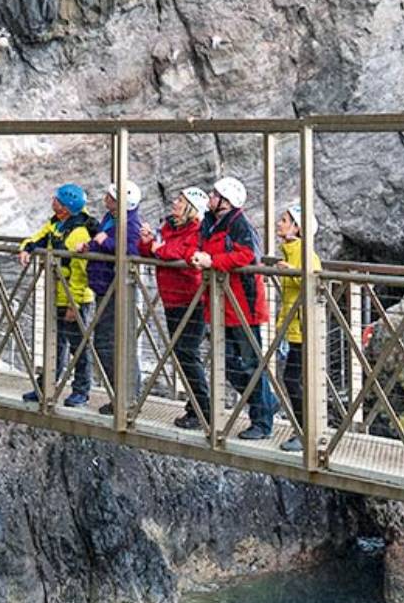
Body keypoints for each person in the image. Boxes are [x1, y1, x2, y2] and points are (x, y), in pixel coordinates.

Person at [188, 177, 275, 440]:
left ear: (225, 201)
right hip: (222, 304)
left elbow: (247, 255)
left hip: (242, 305)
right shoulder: (211, 223)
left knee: (250, 363)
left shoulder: (239, 225)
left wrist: (212, 260)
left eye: (215, 194)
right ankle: (267, 404)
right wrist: (198, 256)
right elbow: (200, 245)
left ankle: (262, 421)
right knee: (229, 363)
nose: (210, 198)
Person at [17, 184, 96, 407]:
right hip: (59, 293)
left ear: (66, 207)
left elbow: (81, 273)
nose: (53, 201)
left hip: (75, 297)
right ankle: (47, 385)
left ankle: (81, 390)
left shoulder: (79, 233)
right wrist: (26, 248)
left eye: (57, 200)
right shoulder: (57, 223)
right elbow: (37, 238)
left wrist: (75, 303)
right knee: (57, 343)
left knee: (78, 345)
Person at [140, 187, 209, 430]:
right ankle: (197, 407)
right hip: (173, 298)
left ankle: (202, 409)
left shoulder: (198, 230)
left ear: (190, 208)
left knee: (187, 353)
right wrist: (148, 243)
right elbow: (157, 250)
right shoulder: (170, 227)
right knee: (183, 354)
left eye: (180, 201)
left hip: (192, 298)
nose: (175, 203)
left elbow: (189, 255)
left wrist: (161, 250)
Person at [86, 180, 143, 416]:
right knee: (108, 342)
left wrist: (105, 242)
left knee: (108, 342)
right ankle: (123, 395)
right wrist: (90, 246)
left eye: (110, 195)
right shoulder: (113, 218)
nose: (105, 197)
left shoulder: (129, 223)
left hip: (115, 287)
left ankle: (126, 396)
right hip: (105, 285)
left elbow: (131, 250)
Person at [271, 205, 319, 452]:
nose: (279, 223)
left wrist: (295, 272)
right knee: (294, 378)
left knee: (293, 378)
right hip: (295, 324)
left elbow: (315, 278)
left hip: (302, 326)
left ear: (297, 228)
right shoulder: (291, 251)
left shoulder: (303, 252)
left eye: (284, 220)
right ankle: (304, 430)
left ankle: (304, 432)